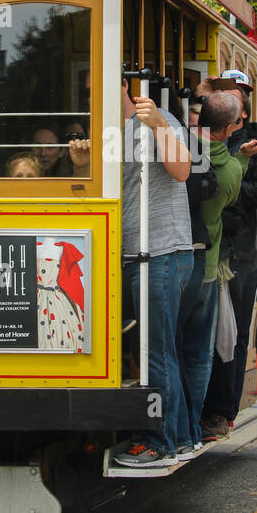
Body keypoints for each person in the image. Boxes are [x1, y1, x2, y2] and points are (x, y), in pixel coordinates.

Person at [114, 78, 195, 469]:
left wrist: (159, 125)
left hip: (161, 251)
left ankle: (158, 441)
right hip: (133, 253)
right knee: (155, 350)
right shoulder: (109, 131)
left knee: (154, 353)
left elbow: (182, 170)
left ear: (126, 86)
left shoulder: (160, 121)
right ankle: (178, 437)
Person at [201, 70, 257, 442]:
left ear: (243, 109)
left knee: (232, 333)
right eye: (220, 93)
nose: (226, 97)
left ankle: (222, 411)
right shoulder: (204, 137)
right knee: (205, 331)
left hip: (240, 250)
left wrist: (226, 193)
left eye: (233, 94)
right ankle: (202, 406)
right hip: (210, 246)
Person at [175, 89, 249, 458]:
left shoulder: (179, 145)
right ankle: (192, 426)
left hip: (170, 259)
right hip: (206, 265)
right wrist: (243, 161)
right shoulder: (232, 167)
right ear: (230, 128)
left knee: (170, 347)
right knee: (199, 352)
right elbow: (231, 198)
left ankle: (175, 426)